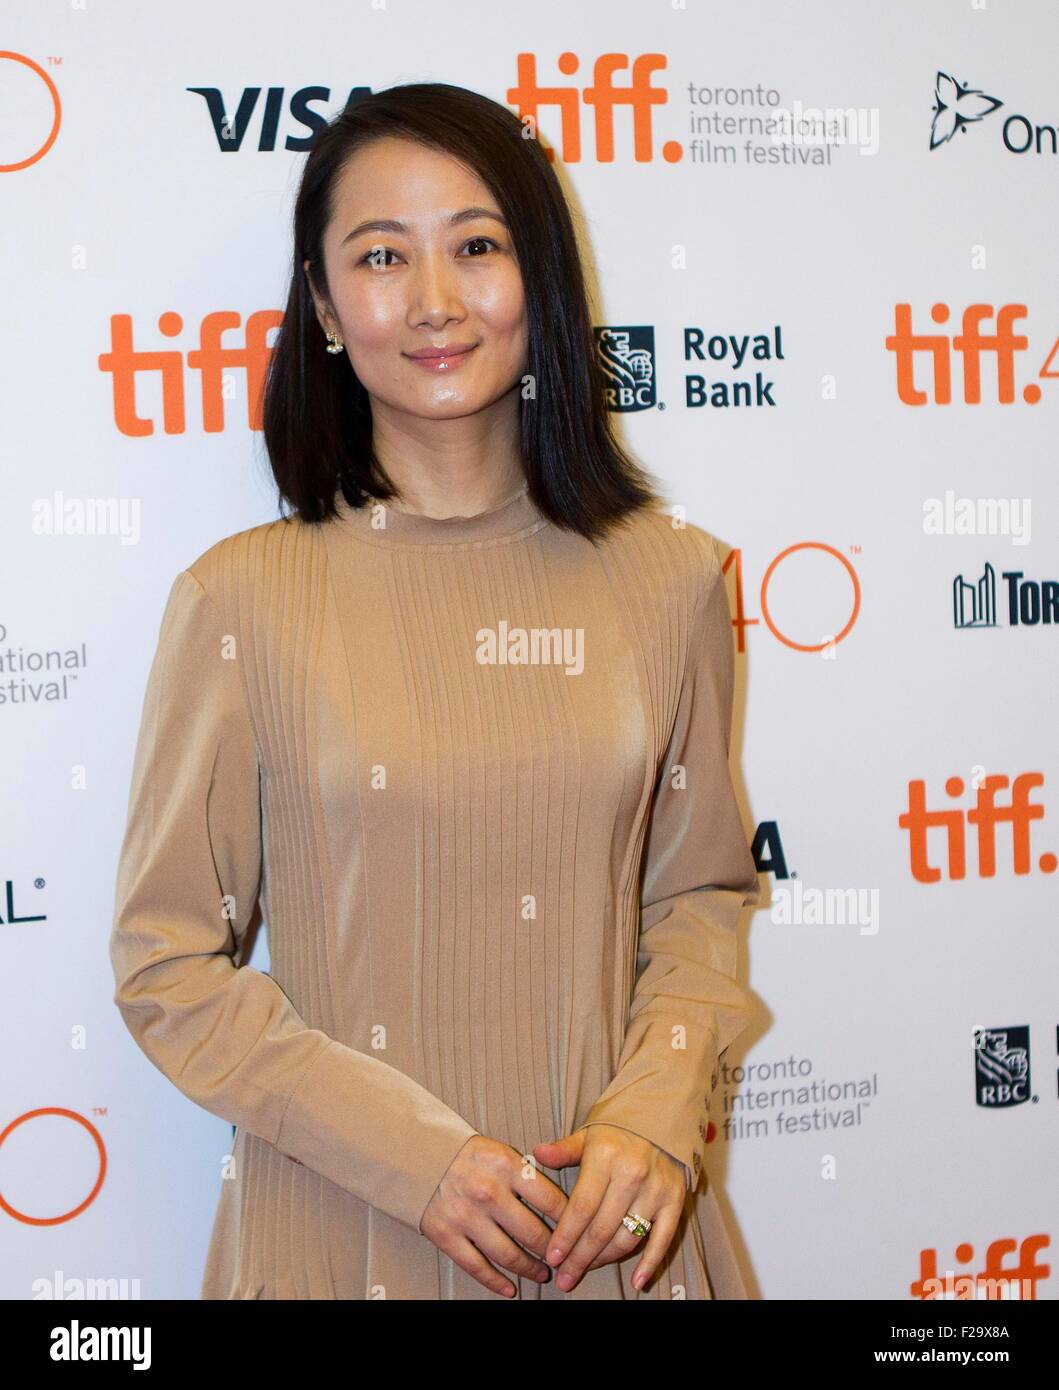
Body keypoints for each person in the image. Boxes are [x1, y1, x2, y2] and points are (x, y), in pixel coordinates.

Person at [109, 81, 761, 1300]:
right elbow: (169, 967)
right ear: (321, 304)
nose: (435, 301)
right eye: (380, 256)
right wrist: (420, 1159)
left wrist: (659, 1110)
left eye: (476, 245)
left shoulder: (673, 579)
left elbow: (701, 896)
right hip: (339, 1226)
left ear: (540, 279)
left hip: (604, 1231)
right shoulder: (240, 599)